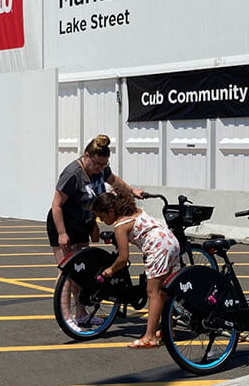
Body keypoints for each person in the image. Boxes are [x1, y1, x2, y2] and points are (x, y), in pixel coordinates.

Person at [48, 134, 143, 330]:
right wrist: (62, 233)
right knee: (69, 272)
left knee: (84, 272)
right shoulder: (73, 174)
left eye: (103, 165)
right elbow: (56, 205)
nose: (99, 169)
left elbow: (113, 180)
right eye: (97, 164)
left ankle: (81, 314)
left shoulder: (101, 169)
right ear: (87, 156)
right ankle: (66, 317)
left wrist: (131, 191)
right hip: (64, 224)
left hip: (83, 224)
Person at [92, 186, 181, 349]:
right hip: (171, 242)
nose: (102, 221)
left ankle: (149, 337)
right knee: (163, 291)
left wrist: (111, 270)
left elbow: (123, 259)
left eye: (101, 216)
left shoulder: (120, 226)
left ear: (111, 211)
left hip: (158, 247)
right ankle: (169, 330)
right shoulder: (135, 211)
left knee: (152, 292)